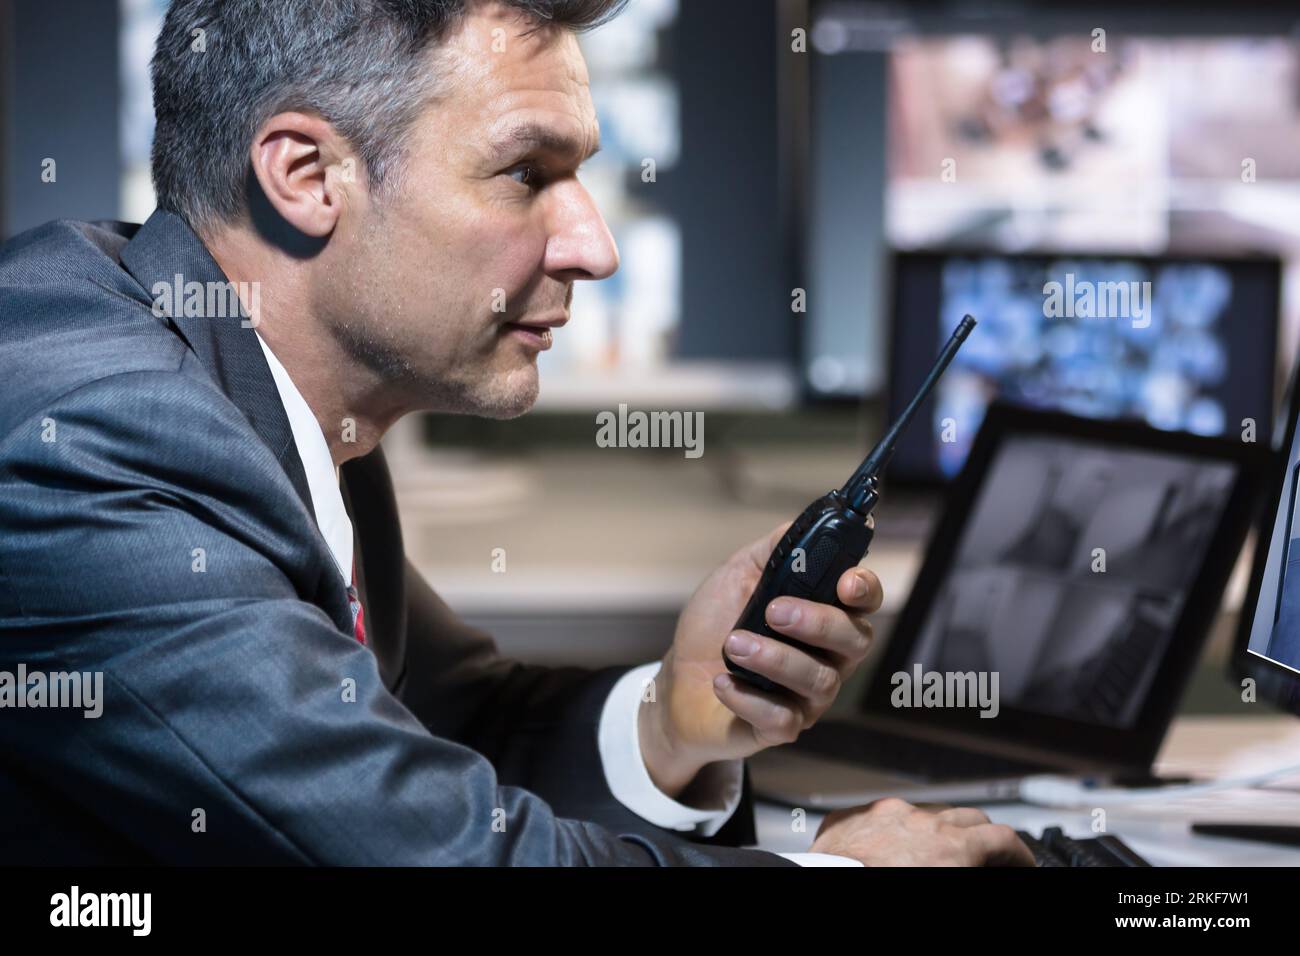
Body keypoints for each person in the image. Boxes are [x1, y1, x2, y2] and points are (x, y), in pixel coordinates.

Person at [0, 0, 1032, 867]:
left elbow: (439, 734)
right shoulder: (96, 436)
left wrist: (672, 717)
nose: (596, 246)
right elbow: (419, 847)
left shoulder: (279, 389)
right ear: (308, 176)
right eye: (526, 174)